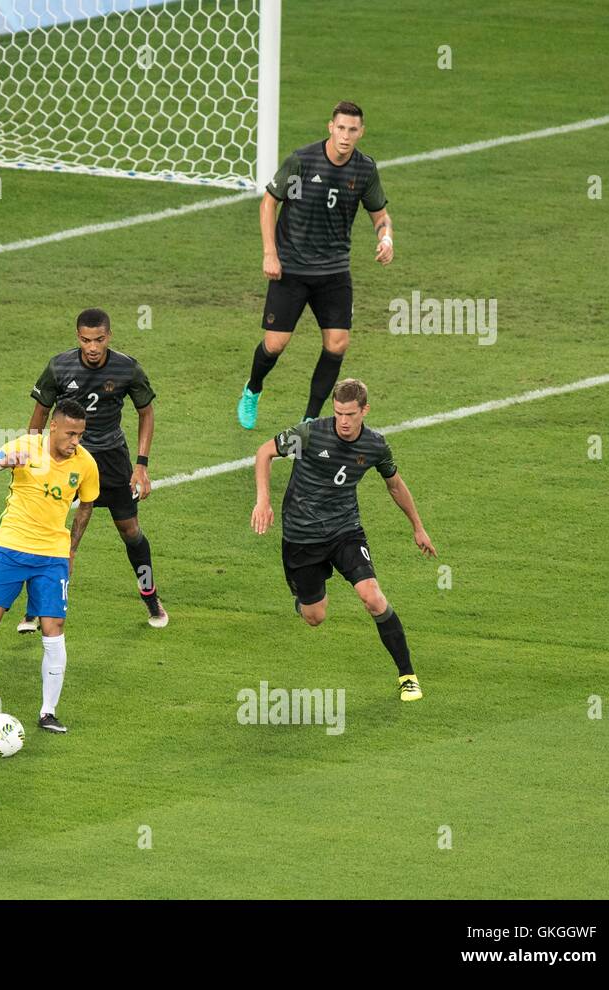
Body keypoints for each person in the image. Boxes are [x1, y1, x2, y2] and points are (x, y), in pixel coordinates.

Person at [250, 379, 436, 700]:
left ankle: (407, 675)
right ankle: (304, 601)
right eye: (338, 414)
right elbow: (265, 451)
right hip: (302, 536)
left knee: (374, 598)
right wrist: (263, 500)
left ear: (365, 410)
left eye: (350, 414)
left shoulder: (375, 446)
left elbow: (395, 485)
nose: (344, 422)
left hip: (344, 532)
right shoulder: (311, 435)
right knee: (315, 617)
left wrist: (417, 526)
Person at [236, 101, 393, 429]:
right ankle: (252, 389)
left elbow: (379, 214)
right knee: (275, 343)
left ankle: (309, 417)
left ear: (361, 132)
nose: (346, 136)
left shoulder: (363, 170)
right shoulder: (302, 162)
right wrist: (270, 252)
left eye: (353, 130)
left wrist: (386, 238)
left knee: (337, 343)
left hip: (334, 271)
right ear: (330, 127)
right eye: (341, 128)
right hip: (291, 269)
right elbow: (270, 203)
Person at [0, 400, 99, 734]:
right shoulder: (24, 447)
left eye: (80, 435)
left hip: (51, 557)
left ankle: (47, 712)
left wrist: (72, 549)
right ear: (53, 426)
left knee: (54, 629)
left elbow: (86, 506)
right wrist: (5, 462)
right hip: (9, 549)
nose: (75, 441)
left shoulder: (86, 464)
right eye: (70, 434)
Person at [24, 307, 167, 629]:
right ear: (78, 337)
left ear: (109, 337)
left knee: (130, 531)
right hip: (67, 456)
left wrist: (141, 466)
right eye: (86, 340)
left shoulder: (127, 368)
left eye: (99, 340)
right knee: (47, 529)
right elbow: (40, 414)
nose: (92, 347)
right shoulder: (58, 366)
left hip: (112, 458)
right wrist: (33, 454)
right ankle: (34, 608)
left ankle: (150, 595)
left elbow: (146, 412)